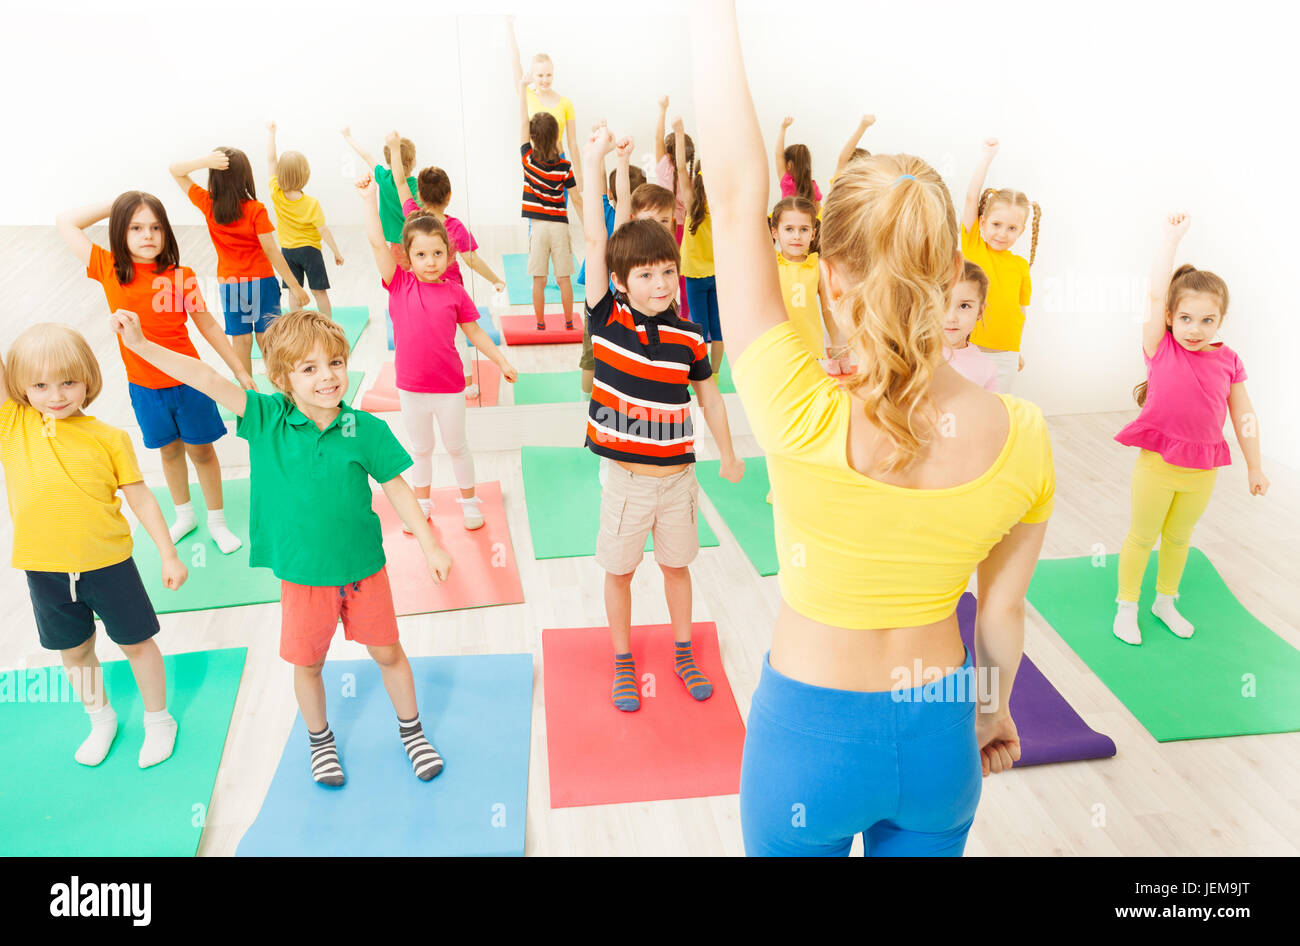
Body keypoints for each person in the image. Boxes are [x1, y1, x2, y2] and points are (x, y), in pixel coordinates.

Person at [692, 0, 1056, 856]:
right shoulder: (1024, 433)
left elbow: (739, 191)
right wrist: (992, 712)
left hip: (807, 746)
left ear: (832, 275)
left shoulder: (793, 400)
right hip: (937, 740)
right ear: (948, 276)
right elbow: (1002, 609)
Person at [112, 307, 452, 786]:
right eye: (309, 368)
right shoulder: (266, 417)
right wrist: (143, 346)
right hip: (302, 577)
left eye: (335, 363)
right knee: (308, 663)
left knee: (390, 653)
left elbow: (397, 486)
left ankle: (412, 732)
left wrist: (431, 545)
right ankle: (320, 741)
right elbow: (206, 377)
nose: (327, 377)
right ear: (282, 378)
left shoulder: (365, 429)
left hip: (363, 570)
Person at [580, 126, 744, 713]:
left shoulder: (689, 334)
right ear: (621, 283)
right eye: (644, 276)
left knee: (678, 568)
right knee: (619, 574)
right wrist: (598, 159)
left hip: (678, 480)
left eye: (667, 273)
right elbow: (599, 235)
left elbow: (711, 397)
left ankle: (682, 648)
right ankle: (623, 657)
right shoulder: (607, 318)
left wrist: (727, 452)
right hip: (625, 483)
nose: (659, 284)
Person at [1, 324, 186, 768]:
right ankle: (100, 717)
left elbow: (140, 496)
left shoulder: (109, 438)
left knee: (137, 643)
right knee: (75, 649)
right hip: (45, 569)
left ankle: (159, 720)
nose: (56, 395)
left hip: (108, 565)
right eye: (41, 385)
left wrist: (168, 552)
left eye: (69, 381)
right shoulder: (14, 423)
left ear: (88, 379)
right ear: (20, 388)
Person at [55, 192, 251, 553]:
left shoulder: (181, 277)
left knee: (203, 453)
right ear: (120, 231)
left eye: (156, 227)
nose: (148, 235)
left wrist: (239, 369)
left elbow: (207, 326)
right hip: (145, 389)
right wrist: (115, 204)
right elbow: (65, 222)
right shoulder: (109, 268)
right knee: (169, 453)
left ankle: (217, 521)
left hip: (190, 384)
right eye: (136, 227)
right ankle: (184, 515)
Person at [1111, 213, 1269, 644]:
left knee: (1179, 537)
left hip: (1202, 470)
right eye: (1185, 318)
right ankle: (1127, 606)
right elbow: (1153, 291)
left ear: (1220, 320)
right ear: (1169, 316)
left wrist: (1255, 466)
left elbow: (1244, 416)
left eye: (1207, 320)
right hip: (1158, 466)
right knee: (1143, 535)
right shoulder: (1159, 346)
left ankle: (1165, 601)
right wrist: (1171, 240)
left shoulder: (1228, 360)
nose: (1195, 329)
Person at [359, 172, 517, 531]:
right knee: (422, 450)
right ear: (408, 257)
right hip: (412, 389)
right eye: (421, 254)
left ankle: (469, 502)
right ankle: (423, 505)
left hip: (448, 390)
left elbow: (475, 331)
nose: (430, 261)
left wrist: (501, 360)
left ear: (449, 255)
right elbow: (375, 244)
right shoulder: (398, 284)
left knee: (457, 446)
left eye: (437, 253)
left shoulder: (454, 294)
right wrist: (370, 203)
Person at [168, 148, 310, 378]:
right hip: (262, 282)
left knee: (241, 340)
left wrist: (205, 160)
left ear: (214, 177)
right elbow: (272, 251)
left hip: (232, 284)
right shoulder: (255, 210)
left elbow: (175, 170)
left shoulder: (208, 204)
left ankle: (247, 393)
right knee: (268, 338)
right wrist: (295, 286)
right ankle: (281, 390)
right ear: (246, 177)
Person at [960, 138, 1041, 393]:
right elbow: (972, 198)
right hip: (969, 346)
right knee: (967, 405)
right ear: (982, 222)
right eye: (996, 224)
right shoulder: (973, 246)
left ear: (1021, 231)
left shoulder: (1020, 266)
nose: (1002, 233)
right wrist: (986, 157)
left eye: (1012, 228)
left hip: (1006, 353)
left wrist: (1016, 350)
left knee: (996, 409)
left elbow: (1020, 310)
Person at [265, 122, 344, 316]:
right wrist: (336, 252)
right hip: (310, 251)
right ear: (305, 174)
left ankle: (295, 322)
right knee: (319, 292)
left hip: (288, 251)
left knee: (294, 289)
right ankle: (327, 323)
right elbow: (323, 230)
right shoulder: (311, 204)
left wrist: (271, 134)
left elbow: (271, 160)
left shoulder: (275, 192)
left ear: (280, 174)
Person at [943, 261, 999, 391]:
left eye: (964, 306)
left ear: (979, 311)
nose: (951, 318)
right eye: (942, 303)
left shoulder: (986, 368)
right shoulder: (913, 356)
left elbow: (990, 410)